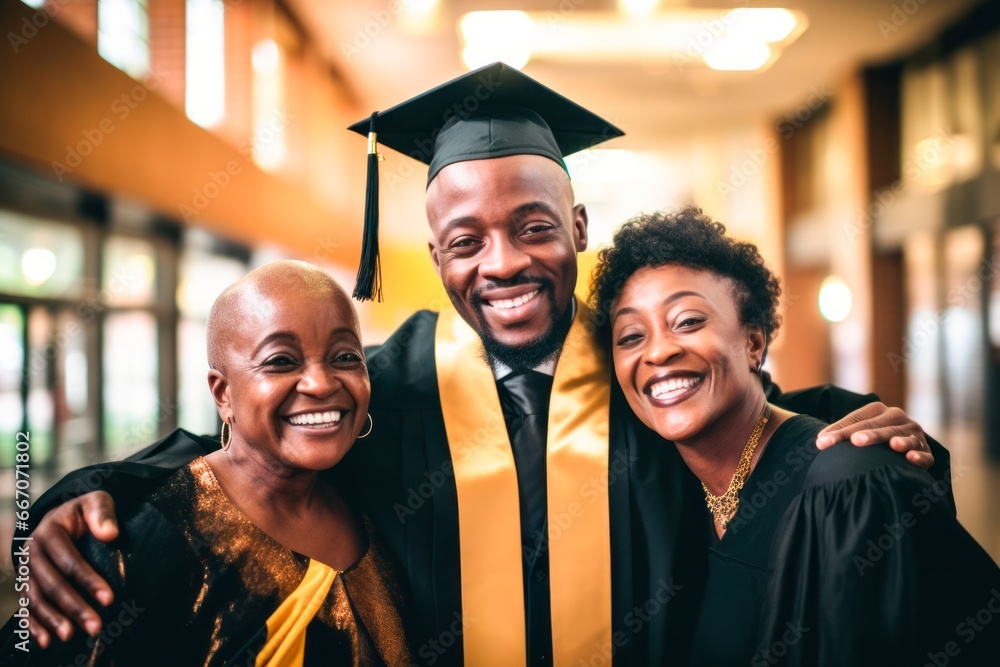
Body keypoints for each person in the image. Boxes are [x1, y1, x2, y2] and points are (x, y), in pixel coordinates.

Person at [18, 64, 942, 667]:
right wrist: (89, 494)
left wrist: (866, 425)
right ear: (434, 247)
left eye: (534, 227)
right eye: (466, 240)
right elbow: (241, 454)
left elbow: (758, 418)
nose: (501, 263)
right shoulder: (386, 388)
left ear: (579, 228)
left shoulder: (645, 381)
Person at [591, 208, 1000, 665]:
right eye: (630, 336)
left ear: (753, 342)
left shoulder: (851, 485)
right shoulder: (666, 491)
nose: (659, 350)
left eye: (687, 321)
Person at [3, 261, 413, 666]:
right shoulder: (137, 537)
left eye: (344, 357)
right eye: (281, 361)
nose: (322, 384)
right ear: (223, 395)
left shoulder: (378, 507)